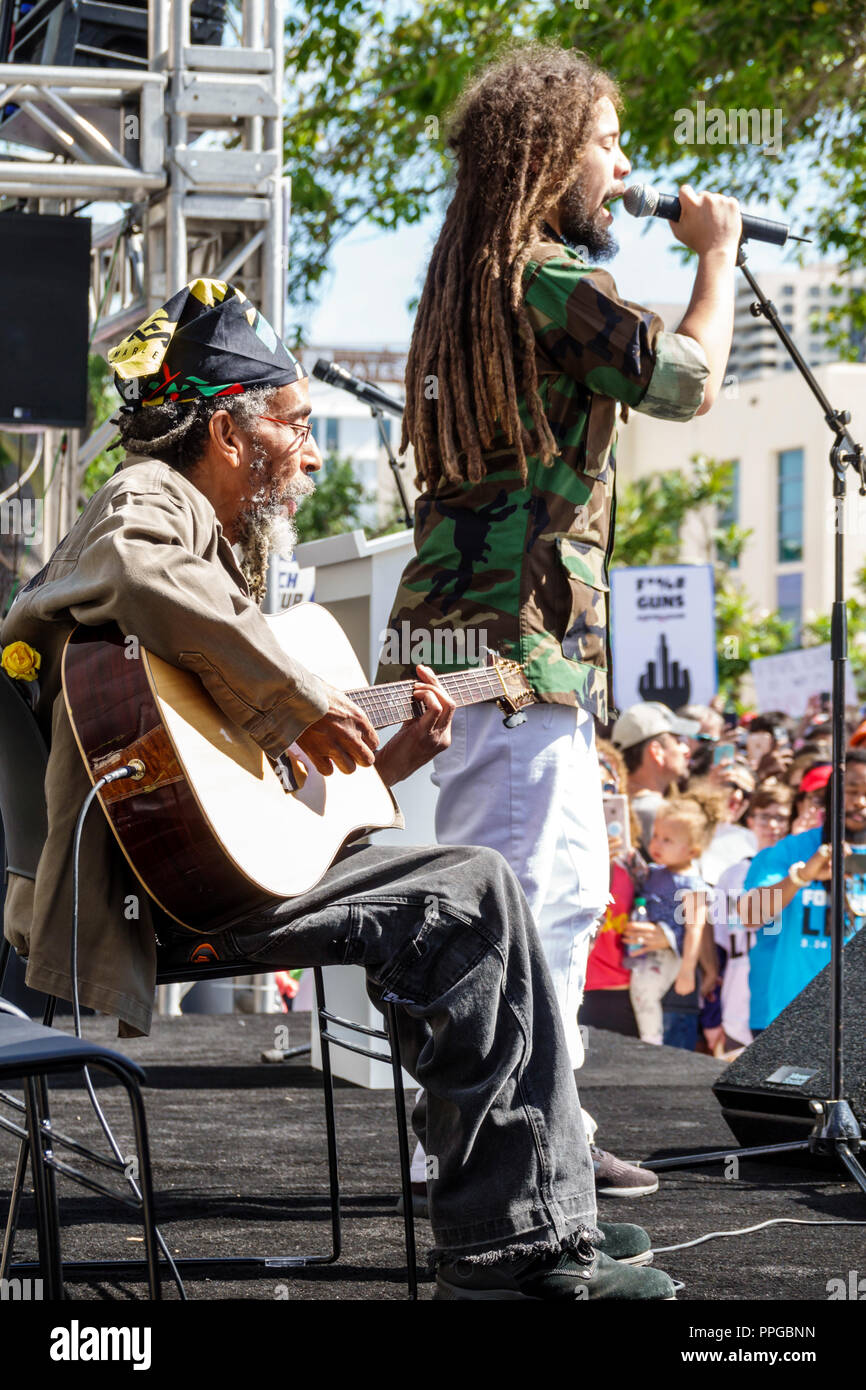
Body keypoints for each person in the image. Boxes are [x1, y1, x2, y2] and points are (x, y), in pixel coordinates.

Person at [0, 279, 675, 1300]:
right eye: (297, 426)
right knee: (476, 892)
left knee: (460, 894)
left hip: (197, 862)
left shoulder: (218, 545)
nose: (313, 456)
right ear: (229, 433)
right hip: (151, 885)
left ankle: (539, 1209)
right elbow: (136, 571)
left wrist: (378, 767)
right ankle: (516, 1244)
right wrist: (301, 697)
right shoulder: (149, 498)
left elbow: (246, 775)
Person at [375, 44, 738, 1203]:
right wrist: (716, 254)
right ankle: (501, 1149)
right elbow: (684, 378)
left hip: (506, 652)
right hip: (499, 655)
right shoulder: (535, 276)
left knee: (562, 893)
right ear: (545, 158)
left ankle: (551, 1128)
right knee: (521, 897)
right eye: (604, 141)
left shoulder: (486, 279)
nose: (622, 164)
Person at [739, 748, 866, 1034]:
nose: (860, 802)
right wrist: (803, 876)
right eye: (852, 791)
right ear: (833, 796)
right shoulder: (793, 849)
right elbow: (750, 915)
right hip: (795, 1019)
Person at [623, 788, 724, 1049]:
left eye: (667, 840)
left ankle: (651, 1039)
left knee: (644, 992)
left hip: (673, 957)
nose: (656, 844)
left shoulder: (693, 886)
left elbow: (695, 931)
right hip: (644, 952)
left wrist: (688, 971)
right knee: (641, 990)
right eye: (655, 836)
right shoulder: (654, 872)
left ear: (692, 850)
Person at [712, 783, 793, 1054]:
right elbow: (720, 946)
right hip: (736, 1011)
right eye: (763, 816)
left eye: (780, 817)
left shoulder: (799, 874)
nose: (772, 824)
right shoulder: (731, 874)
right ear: (750, 821)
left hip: (782, 1006)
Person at [611, 703, 700, 853]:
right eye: (679, 741)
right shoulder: (660, 813)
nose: (686, 750)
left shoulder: (615, 810)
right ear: (656, 752)